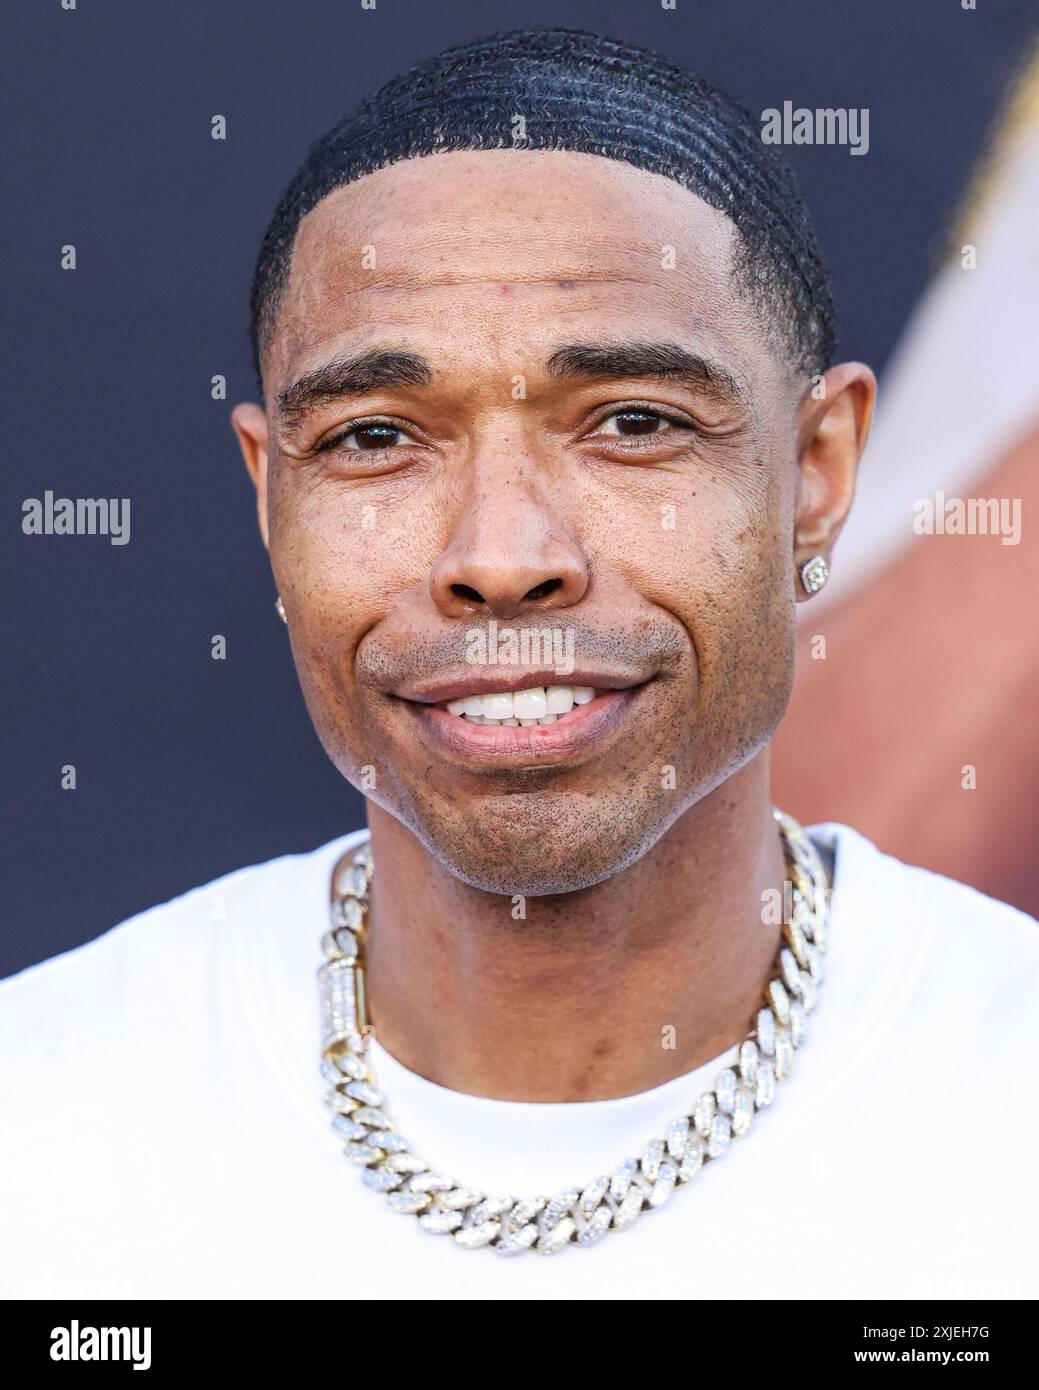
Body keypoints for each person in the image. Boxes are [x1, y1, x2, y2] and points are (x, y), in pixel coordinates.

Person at [3, 26, 1036, 1299]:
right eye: (378, 436)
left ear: (815, 475)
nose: (501, 557)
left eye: (634, 423)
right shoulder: (41, 1126)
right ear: (270, 500)